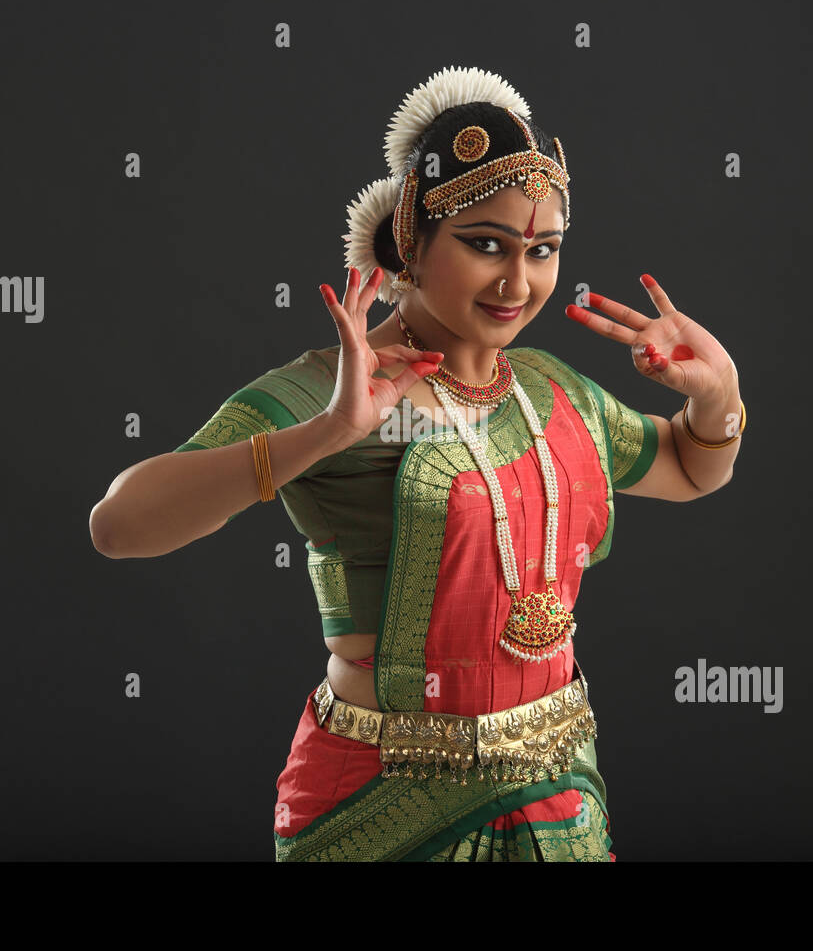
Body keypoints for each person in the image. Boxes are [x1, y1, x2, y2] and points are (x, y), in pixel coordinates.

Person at [89, 65, 745, 861]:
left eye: (542, 250)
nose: (517, 280)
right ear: (409, 240)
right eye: (485, 245)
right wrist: (327, 433)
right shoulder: (337, 388)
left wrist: (717, 397)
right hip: (388, 797)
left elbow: (688, 466)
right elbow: (120, 524)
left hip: (558, 791)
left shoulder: (552, 389)